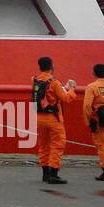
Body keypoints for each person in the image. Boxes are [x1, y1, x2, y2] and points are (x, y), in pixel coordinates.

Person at [32, 56, 76, 185]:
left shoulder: (34, 80)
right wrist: (72, 88)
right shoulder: (54, 82)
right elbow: (66, 99)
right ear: (52, 67)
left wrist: (64, 87)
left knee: (43, 146)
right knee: (57, 145)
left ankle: (45, 174)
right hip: (53, 119)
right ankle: (54, 174)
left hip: (39, 118)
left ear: (40, 67)